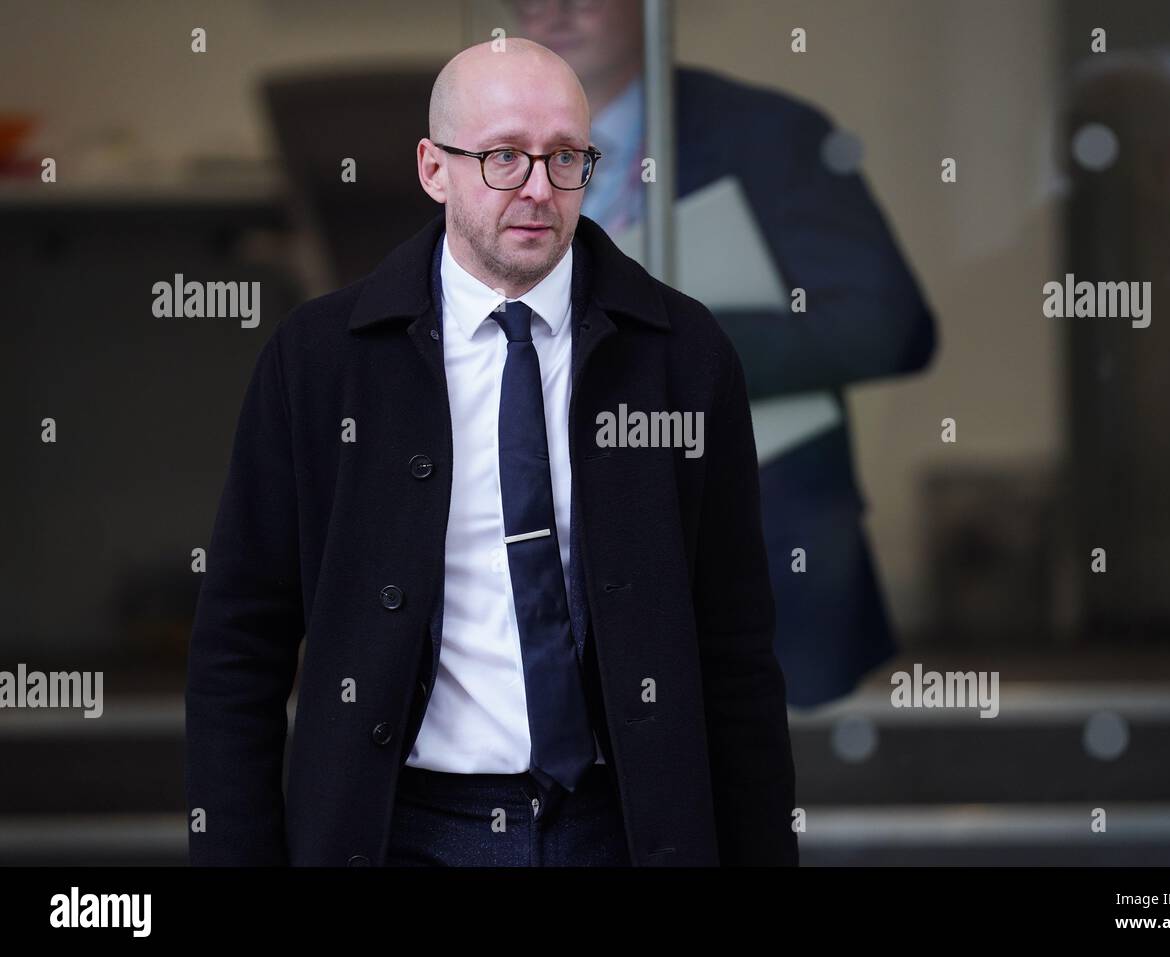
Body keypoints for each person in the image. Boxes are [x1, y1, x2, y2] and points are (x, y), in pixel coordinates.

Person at [184, 37, 798, 867]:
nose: (539, 189)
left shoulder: (680, 354)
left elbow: (735, 653)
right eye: (505, 156)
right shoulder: (321, 360)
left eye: (565, 159)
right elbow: (239, 645)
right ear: (434, 169)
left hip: (620, 830)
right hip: (402, 830)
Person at [508, 0, 936, 707]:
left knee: (775, 802)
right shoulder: (487, 152)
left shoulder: (767, 135)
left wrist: (661, 349)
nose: (549, 9)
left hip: (759, 555)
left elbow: (889, 324)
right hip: (558, 572)